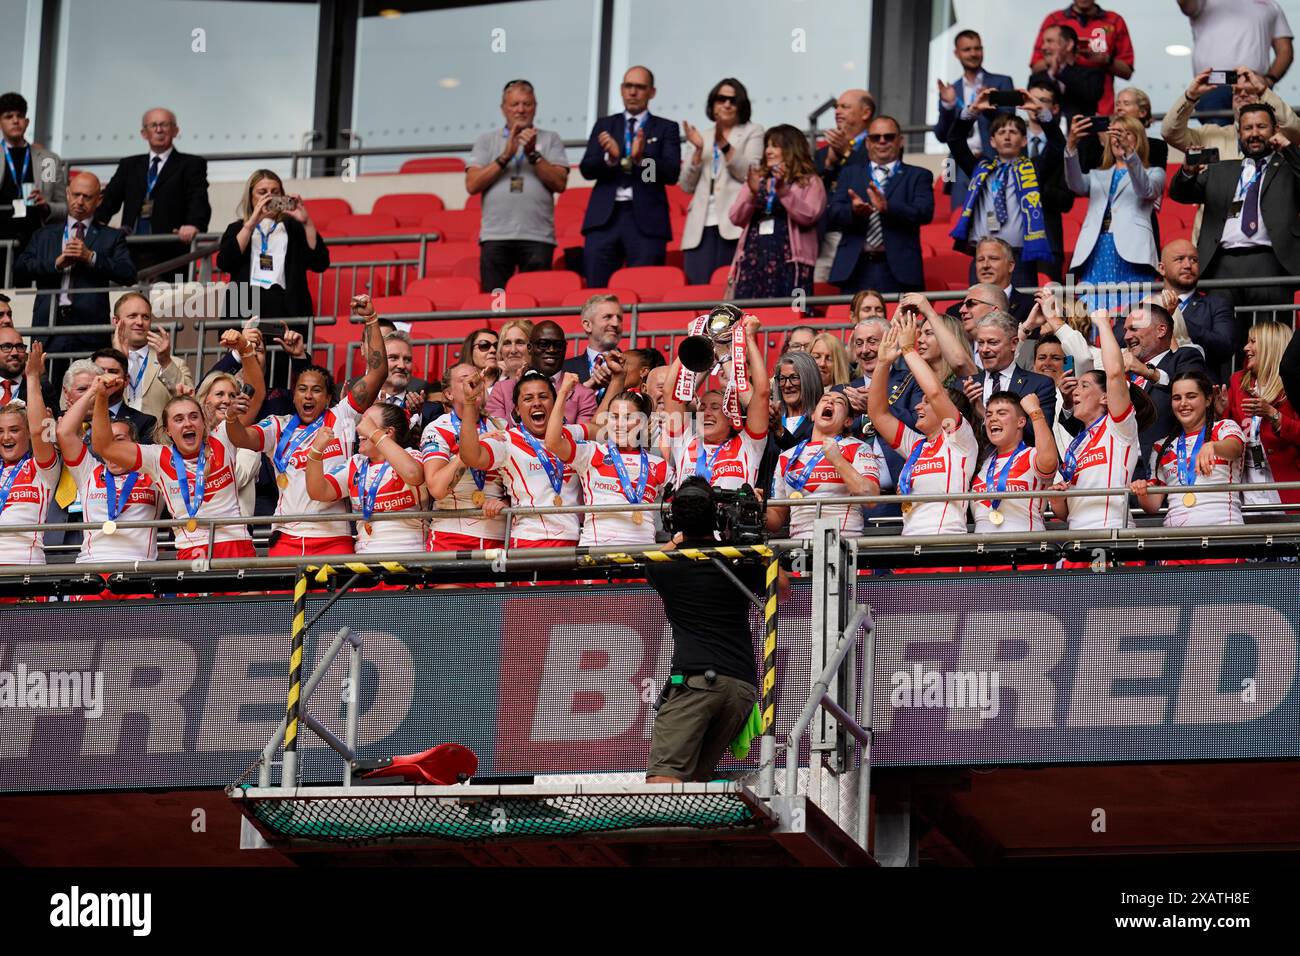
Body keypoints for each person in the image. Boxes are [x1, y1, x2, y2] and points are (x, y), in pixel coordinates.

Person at [226, 295, 387, 557]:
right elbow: (241, 438)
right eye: (302, 389)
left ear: (327, 397)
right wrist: (232, 418)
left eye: (316, 390)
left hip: (333, 537)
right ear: (294, 395)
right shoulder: (278, 426)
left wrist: (370, 319)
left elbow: (378, 372)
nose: (309, 396)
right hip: (287, 536)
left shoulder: (342, 416)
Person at [89, 330, 264, 561]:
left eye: (193, 417)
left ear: (204, 422)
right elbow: (104, 446)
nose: (187, 424)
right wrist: (101, 397)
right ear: (168, 430)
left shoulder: (224, 436)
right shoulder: (156, 457)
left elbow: (257, 395)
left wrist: (244, 349)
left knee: (251, 597)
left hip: (235, 546)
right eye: (178, 419)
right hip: (191, 551)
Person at [643, 476, 765, 784]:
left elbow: (660, 553)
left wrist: (682, 532)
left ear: (672, 520)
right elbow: (783, 587)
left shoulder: (662, 566)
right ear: (717, 515)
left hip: (696, 681)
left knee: (664, 779)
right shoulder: (739, 559)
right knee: (694, 782)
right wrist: (743, 537)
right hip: (741, 689)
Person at [1169, 105, 1300, 325]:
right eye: (1248, 128)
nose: (1254, 133)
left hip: (1271, 264)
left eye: (1261, 126)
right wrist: (1187, 173)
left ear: (1275, 129)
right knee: (1223, 345)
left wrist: (1289, 148)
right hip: (1221, 266)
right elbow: (1180, 194)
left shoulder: (1288, 167)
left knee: (1272, 345)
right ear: (1240, 133)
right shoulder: (1220, 168)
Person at [867, 316, 979, 540]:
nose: (918, 404)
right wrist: (883, 363)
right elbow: (878, 415)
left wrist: (909, 349)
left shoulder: (960, 440)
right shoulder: (916, 446)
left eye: (926, 402)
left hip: (947, 542)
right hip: (909, 542)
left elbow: (936, 393)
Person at [458, 368, 587, 550]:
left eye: (543, 397)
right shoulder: (508, 440)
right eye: (528, 399)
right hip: (530, 541)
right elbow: (472, 457)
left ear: (556, 402)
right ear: (517, 409)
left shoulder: (570, 434)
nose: (536, 403)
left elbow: (605, 427)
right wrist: (470, 403)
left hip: (574, 540)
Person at [14, 172, 136, 362]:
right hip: (48, 326)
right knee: (47, 387)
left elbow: (128, 274)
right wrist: (56, 263)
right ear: (68, 194)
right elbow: (20, 268)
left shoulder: (111, 237)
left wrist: (91, 257)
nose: (79, 201)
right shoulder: (44, 235)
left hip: (90, 329)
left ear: (99, 200)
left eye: (87, 197)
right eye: (76, 194)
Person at [946, 90, 1062, 288]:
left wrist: (1042, 112)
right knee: (980, 315)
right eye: (1001, 132)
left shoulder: (1034, 168)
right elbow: (955, 140)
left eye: (1014, 132)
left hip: (1018, 259)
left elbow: (1058, 145)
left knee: (1019, 316)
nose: (1007, 136)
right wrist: (972, 111)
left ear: (1024, 140)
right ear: (992, 141)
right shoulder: (979, 168)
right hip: (983, 257)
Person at [580, 66, 681, 288]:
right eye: (628, 86)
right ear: (621, 89)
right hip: (604, 220)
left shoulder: (666, 128)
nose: (633, 92)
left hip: (646, 222)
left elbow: (671, 175)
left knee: (644, 289)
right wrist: (611, 159)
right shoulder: (605, 125)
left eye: (640, 87)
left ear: (652, 92)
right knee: (597, 293)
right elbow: (587, 169)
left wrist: (641, 159)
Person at [466, 80, 568, 293]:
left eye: (527, 104)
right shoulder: (487, 140)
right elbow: (472, 184)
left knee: (535, 301)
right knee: (496, 306)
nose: (521, 109)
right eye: (514, 104)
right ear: (503, 108)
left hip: (537, 236)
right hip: (496, 236)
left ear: (535, 106)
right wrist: (505, 156)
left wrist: (533, 155)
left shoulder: (550, 139)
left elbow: (560, 183)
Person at [55, 370, 163, 568]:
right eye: (107, 443)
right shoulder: (89, 471)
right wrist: (95, 393)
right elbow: (64, 432)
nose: (112, 449)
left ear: (135, 445)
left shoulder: (154, 473)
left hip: (139, 570)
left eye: (120, 441)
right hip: (91, 569)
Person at [547, 368, 667, 547]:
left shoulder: (658, 464)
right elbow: (553, 443)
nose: (619, 424)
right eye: (614, 417)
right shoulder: (592, 453)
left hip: (642, 554)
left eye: (628, 417)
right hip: (597, 551)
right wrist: (563, 392)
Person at [1131, 372, 1245, 557]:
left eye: (1191, 396)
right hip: (1175, 541)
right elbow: (1152, 506)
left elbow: (1236, 448)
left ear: (1208, 400)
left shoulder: (1224, 428)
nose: (1183, 403)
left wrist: (1213, 446)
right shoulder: (1161, 446)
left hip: (1222, 535)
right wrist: (1142, 491)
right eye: (1177, 398)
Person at [1054, 309, 1147, 531]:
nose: (1075, 392)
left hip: (1113, 532)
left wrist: (1103, 324)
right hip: (1076, 537)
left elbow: (1114, 372)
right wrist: (1057, 499)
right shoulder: (1076, 443)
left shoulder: (1118, 427)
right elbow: (1066, 512)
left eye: (1084, 386)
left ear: (1105, 397)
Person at [1064, 114, 1164, 313]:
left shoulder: (1155, 172)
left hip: (1132, 252)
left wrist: (1129, 154)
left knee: (1134, 310)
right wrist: (1071, 146)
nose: (1119, 139)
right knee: (1093, 308)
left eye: (1127, 134)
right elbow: (1075, 185)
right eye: (1115, 134)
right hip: (1097, 248)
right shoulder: (1097, 174)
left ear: (1139, 139)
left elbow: (1146, 190)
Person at [96, 108, 211, 275]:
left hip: (171, 249)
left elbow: (198, 198)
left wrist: (194, 224)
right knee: (135, 299)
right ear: (144, 133)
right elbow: (109, 200)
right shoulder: (129, 165)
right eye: (153, 125)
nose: (159, 130)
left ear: (175, 131)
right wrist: (96, 224)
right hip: (132, 249)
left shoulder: (191, 164)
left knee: (171, 299)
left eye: (164, 124)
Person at [662, 314, 770, 490]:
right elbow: (670, 392)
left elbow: (762, 394)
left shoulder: (749, 444)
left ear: (730, 416)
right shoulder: (684, 440)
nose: (706, 412)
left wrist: (748, 338)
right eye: (702, 407)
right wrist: (694, 342)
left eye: (715, 407)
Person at [827, 115, 933, 294]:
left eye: (889, 136)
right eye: (876, 137)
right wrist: (853, 210)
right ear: (868, 143)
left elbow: (924, 213)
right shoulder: (849, 173)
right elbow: (833, 214)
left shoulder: (919, 175)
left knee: (899, 322)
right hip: (855, 268)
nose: (882, 141)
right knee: (854, 322)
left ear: (900, 141)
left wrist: (888, 207)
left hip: (899, 269)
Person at [304, 403, 426, 555]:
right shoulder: (356, 463)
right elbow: (318, 492)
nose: (359, 428)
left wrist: (373, 433)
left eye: (367, 423)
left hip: (409, 555)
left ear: (388, 432)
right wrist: (315, 452)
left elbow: (413, 474)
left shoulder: (411, 455)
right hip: (364, 558)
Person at [680, 78, 764, 285]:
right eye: (721, 99)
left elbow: (750, 175)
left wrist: (724, 146)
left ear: (741, 104)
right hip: (700, 225)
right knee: (698, 292)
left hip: (734, 224)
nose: (726, 104)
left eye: (732, 100)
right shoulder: (701, 136)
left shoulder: (753, 131)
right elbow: (686, 185)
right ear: (713, 103)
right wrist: (698, 151)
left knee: (730, 290)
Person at [727, 125, 826, 301]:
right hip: (753, 262)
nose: (768, 151)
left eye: (775, 145)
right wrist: (752, 192)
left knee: (794, 315)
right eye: (767, 145)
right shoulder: (758, 179)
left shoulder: (810, 182)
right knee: (750, 317)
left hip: (792, 264)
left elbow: (809, 216)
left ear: (791, 148)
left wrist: (783, 192)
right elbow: (736, 217)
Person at [216, 169, 329, 321]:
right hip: (244, 307)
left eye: (275, 192)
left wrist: (307, 223)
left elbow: (320, 263)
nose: (269, 197)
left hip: (287, 308)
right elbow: (225, 262)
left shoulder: (293, 227)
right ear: (250, 197)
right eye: (262, 192)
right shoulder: (238, 228)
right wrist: (250, 224)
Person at [767, 389, 880, 538]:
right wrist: (757, 508)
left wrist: (838, 461)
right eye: (825, 399)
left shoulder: (858, 447)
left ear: (848, 421)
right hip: (799, 547)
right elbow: (776, 518)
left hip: (843, 543)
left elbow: (870, 496)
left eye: (839, 402)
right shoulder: (787, 456)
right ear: (813, 415)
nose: (830, 402)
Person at [422, 362, 510, 554]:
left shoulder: (501, 426)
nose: (474, 385)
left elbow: (518, 483)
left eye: (477, 380)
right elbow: (437, 489)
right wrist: (471, 451)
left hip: (498, 535)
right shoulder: (437, 429)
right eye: (465, 381)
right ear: (448, 394)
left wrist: (505, 503)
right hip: (451, 534)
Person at [933, 30, 1015, 211]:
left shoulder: (1002, 83)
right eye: (967, 49)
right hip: (959, 166)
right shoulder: (950, 90)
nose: (973, 54)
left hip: (995, 161)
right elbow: (941, 136)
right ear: (957, 53)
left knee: (1000, 218)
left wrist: (989, 105)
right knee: (961, 222)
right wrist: (948, 105)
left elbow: (1010, 122)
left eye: (977, 48)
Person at [1122, 302, 1209, 470]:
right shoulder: (1123, 373)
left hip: (1167, 467)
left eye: (1134, 328)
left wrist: (1147, 372)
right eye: (1125, 329)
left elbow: (1188, 394)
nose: (1126, 336)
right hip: (1123, 471)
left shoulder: (1185, 358)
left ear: (1161, 330)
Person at [1180, 0, 1293, 125]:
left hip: (1252, 84)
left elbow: (1285, 50)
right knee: (1218, 137)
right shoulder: (1204, 2)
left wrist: (1269, 80)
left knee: (1257, 133)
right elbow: (1185, 3)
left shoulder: (1271, 5)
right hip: (1215, 83)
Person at [1162, 67, 1300, 168]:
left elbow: (1295, 129)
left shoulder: (1277, 136)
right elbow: (1169, 132)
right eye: (1237, 91)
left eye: (1251, 91)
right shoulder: (1209, 134)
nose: (1243, 94)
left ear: (1263, 96)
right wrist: (1190, 96)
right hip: (1218, 207)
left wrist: (1262, 89)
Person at [0, 342, 61, 566]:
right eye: (0, 431)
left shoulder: (42, 468)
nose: (6, 437)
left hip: (24, 569)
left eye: (14, 430)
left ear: (27, 434)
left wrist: (33, 377)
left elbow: (39, 429)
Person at [1228, 320, 1300, 508]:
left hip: (1287, 488)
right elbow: (1229, 434)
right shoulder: (1238, 382)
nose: (1246, 347)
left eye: (1253, 341)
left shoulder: (1294, 387)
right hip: (1247, 489)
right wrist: (1221, 414)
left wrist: (1273, 415)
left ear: (1271, 346)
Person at [970, 391, 1058, 534]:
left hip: (1025, 548)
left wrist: (1035, 412)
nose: (993, 419)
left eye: (1001, 413)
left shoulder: (1032, 455)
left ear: (1021, 421)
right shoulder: (983, 464)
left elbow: (1049, 460)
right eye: (989, 414)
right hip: (984, 551)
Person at [813, 88, 877, 283]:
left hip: (860, 237)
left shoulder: (879, 144)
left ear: (865, 113)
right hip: (824, 237)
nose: (837, 111)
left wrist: (848, 154)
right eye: (837, 107)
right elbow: (810, 192)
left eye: (845, 107)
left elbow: (875, 180)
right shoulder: (823, 152)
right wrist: (829, 164)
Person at [0, 92, 66, 281]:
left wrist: (47, 206)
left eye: (20, 116)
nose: (15, 121)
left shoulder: (47, 161)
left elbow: (63, 207)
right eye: (8, 117)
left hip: (36, 240)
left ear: (27, 122)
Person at [1029, 2, 1134, 117]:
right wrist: (1059, 58)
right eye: (1047, 42)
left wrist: (1104, 59)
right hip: (1057, 113)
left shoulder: (1114, 20)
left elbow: (1127, 71)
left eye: (1051, 41)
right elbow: (1035, 65)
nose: (1045, 46)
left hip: (1103, 108)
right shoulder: (1054, 20)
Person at [487, 320, 597, 425]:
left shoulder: (583, 395)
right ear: (530, 348)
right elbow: (497, 434)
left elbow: (583, 439)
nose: (551, 350)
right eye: (543, 344)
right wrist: (517, 411)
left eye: (558, 345)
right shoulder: (502, 390)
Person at [965, 310, 1058, 432]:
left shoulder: (1039, 385)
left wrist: (984, 415)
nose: (984, 349)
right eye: (981, 343)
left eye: (992, 342)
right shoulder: (964, 386)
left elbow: (1038, 434)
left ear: (1014, 344)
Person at [1157, 239, 1235, 381]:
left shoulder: (1216, 304)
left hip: (1201, 388)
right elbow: (1121, 336)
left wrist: (1176, 318)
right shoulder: (1148, 304)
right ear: (1162, 268)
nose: (1188, 265)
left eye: (1194, 260)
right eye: (1179, 259)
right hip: (1156, 388)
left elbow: (1225, 347)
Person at [108, 292, 193, 422]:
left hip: (157, 440)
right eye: (132, 316)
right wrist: (118, 361)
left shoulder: (174, 364)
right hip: (112, 439)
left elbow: (191, 402)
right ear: (116, 321)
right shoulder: (96, 365)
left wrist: (165, 362)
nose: (140, 322)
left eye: (146, 317)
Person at [1024, 79, 1077, 282]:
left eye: (1043, 101)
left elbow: (1066, 200)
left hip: (1048, 241)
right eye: (1032, 99)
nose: (1036, 105)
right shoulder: (1009, 141)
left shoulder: (1065, 148)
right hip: (1012, 243)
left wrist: (1033, 189)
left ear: (1054, 108)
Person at [195, 372, 262, 517]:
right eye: (220, 394)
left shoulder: (247, 438)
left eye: (232, 396)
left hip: (232, 530)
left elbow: (236, 478)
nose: (227, 400)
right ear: (204, 399)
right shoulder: (192, 437)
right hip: (193, 527)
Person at [944, 237, 1035, 324]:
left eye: (993, 259)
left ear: (1010, 266)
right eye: (980, 259)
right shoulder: (955, 314)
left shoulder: (1032, 307)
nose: (985, 265)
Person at [1029, 24, 1107, 121]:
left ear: (1069, 44)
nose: (1044, 47)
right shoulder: (1037, 78)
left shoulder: (1093, 75)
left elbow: (1090, 95)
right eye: (1043, 42)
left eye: (1050, 41)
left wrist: (1061, 72)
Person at [87, 349, 157, 442]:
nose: (106, 377)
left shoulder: (144, 422)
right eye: (100, 371)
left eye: (112, 371)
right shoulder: (71, 416)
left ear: (126, 380)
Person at [560, 293, 624, 388]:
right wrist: (587, 387)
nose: (615, 323)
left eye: (619, 318)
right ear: (587, 325)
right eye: (607, 317)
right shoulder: (565, 369)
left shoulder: (633, 366)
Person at [376, 330, 434, 430]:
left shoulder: (430, 411)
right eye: (393, 358)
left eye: (407, 360)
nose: (402, 366)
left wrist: (416, 417)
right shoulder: (361, 405)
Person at [770, 350, 822, 453]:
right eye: (782, 378)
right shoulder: (771, 420)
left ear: (809, 380)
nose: (787, 385)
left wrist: (780, 432)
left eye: (794, 378)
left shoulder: (820, 422)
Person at [0, 326, 57, 408]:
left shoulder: (39, 386)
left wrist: (38, 379)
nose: (15, 353)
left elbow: (54, 417)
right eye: (6, 346)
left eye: (20, 346)